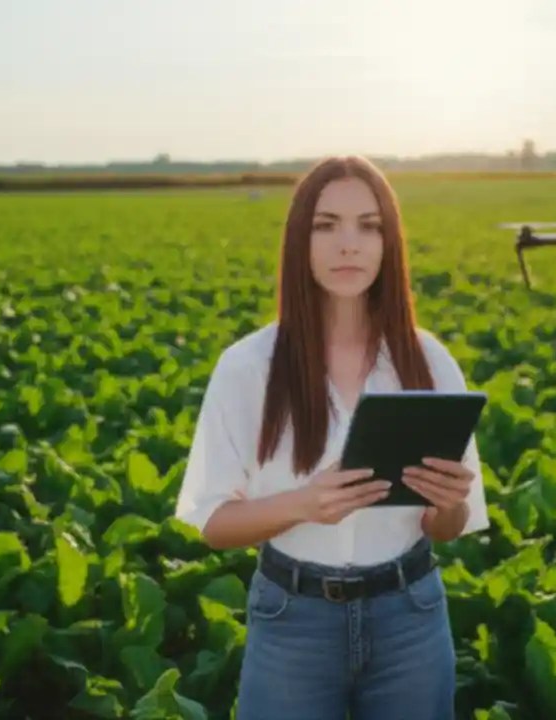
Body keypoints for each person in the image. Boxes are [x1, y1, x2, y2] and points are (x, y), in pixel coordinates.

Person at [174, 155, 490, 720]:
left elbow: (449, 528)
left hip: (410, 616)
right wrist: (303, 505)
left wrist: (449, 504)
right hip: (292, 619)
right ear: (300, 241)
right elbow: (213, 524)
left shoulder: (430, 361)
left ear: (389, 243)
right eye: (327, 225)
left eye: (369, 226)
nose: (350, 244)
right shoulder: (248, 366)